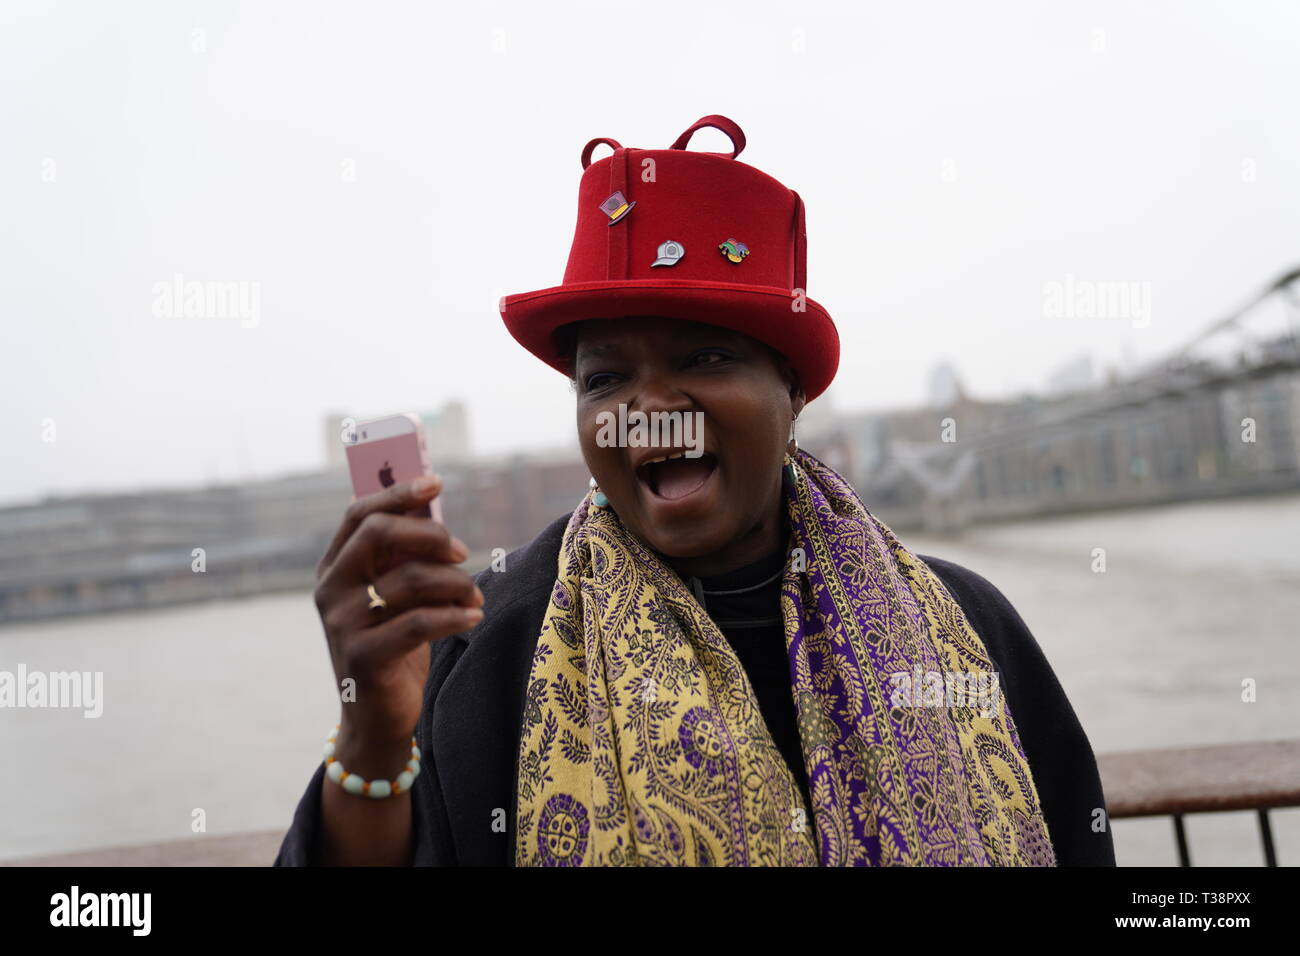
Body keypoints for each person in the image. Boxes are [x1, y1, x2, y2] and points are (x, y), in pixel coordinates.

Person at [276, 115, 1115, 867]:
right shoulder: (482, 649)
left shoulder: (968, 627)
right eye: (605, 378)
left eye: (706, 359)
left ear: (795, 394)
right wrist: (374, 737)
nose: (648, 408)